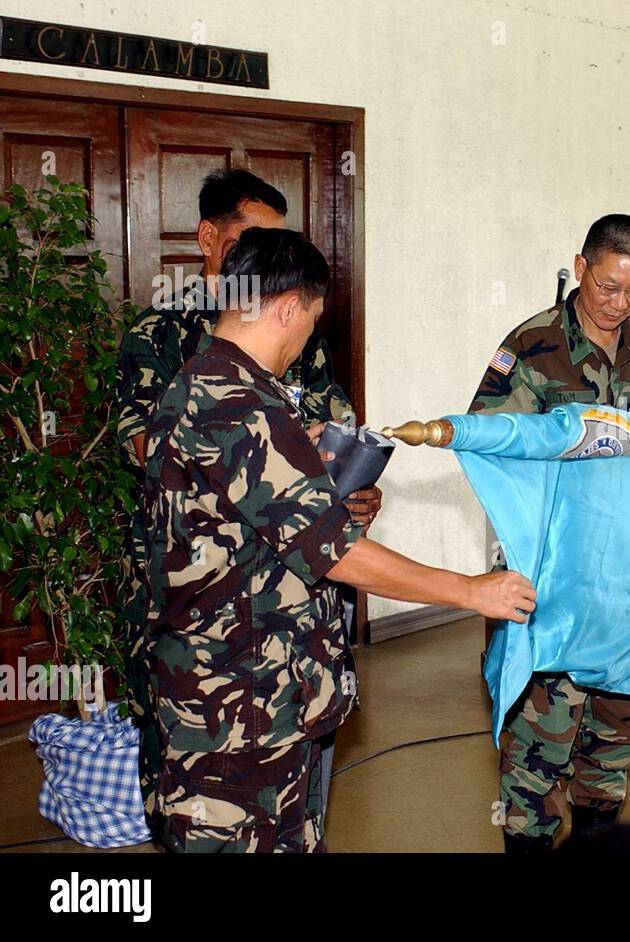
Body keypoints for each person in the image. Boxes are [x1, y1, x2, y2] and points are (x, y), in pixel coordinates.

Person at [142, 227, 535, 852]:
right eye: (311, 319)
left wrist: (309, 455)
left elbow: (245, 515)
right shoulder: (241, 407)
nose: (306, 340)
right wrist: (469, 590)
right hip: (238, 709)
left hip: (243, 689)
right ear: (288, 307)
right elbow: (334, 549)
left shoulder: (200, 383)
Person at [114, 169, 378, 840]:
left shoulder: (294, 333)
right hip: (195, 598)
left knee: (291, 774)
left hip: (284, 598)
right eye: (252, 239)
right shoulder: (165, 335)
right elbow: (147, 445)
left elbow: (329, 420)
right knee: (198, 773)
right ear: (210, 239)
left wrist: (342, 476)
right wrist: (271, 475)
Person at [469, 213, 630, 852]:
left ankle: (601, 839)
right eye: (609, 287)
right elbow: (495, 445)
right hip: (551, 578)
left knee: (618, 733)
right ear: (579, 268)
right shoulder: (530, 348)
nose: (621, 305)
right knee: (537, 745)